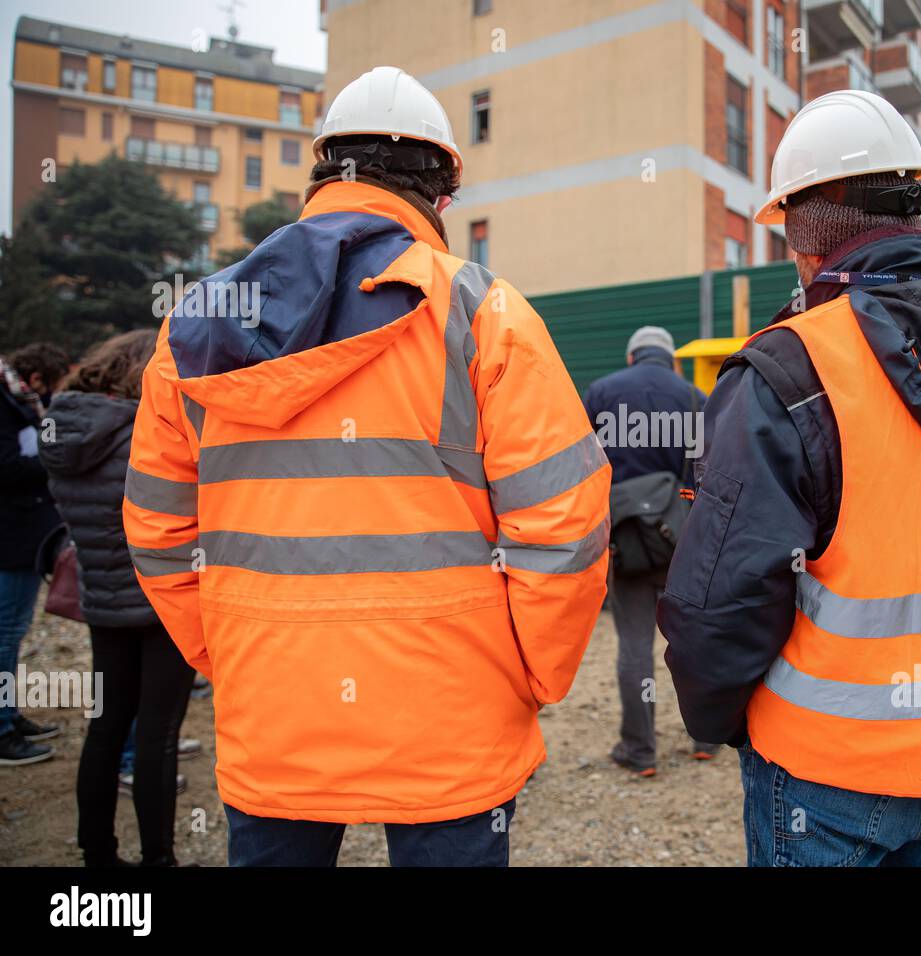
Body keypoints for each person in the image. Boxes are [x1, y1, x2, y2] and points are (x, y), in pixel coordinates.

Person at [124, 66, 610, 867]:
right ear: (440, 193)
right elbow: (564, 525)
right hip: (453, 721)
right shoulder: (485, 314)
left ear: (320, 175)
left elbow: (157, 530)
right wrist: (529, 676)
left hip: (275, 713)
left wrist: (233, 654)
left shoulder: (195, 328)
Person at [657, 90, 921, 867]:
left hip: (821, 776)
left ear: (805, 230)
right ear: (916, 212)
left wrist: (723, 721)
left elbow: (720, 602)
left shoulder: (788, 371)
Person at [38, 330, 196, 866]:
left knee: (104, 728)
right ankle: (159, 859)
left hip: (102, 600)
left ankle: (97, 854)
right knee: (157, 735)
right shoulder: (140, 431)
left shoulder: (62, 434)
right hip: (159, 601)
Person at [583, 326, 715, 777]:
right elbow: (712, 473)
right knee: (692, 641)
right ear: (671, 360)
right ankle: (704, 737)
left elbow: (583, 466)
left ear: (632, 357)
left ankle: (639, 751)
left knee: (636, 646)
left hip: (627, 543)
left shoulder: (601, 392)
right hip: (683, 542)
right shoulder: (697, 397)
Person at [0, 344, 70, 766]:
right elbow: (7, 465)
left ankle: (9, 715)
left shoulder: (16, 398)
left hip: (24, 535)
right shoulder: (5, 402)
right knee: (6, 631)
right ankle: (2, 729)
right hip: (11, 535)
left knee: (14, 628)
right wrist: (53, 457)